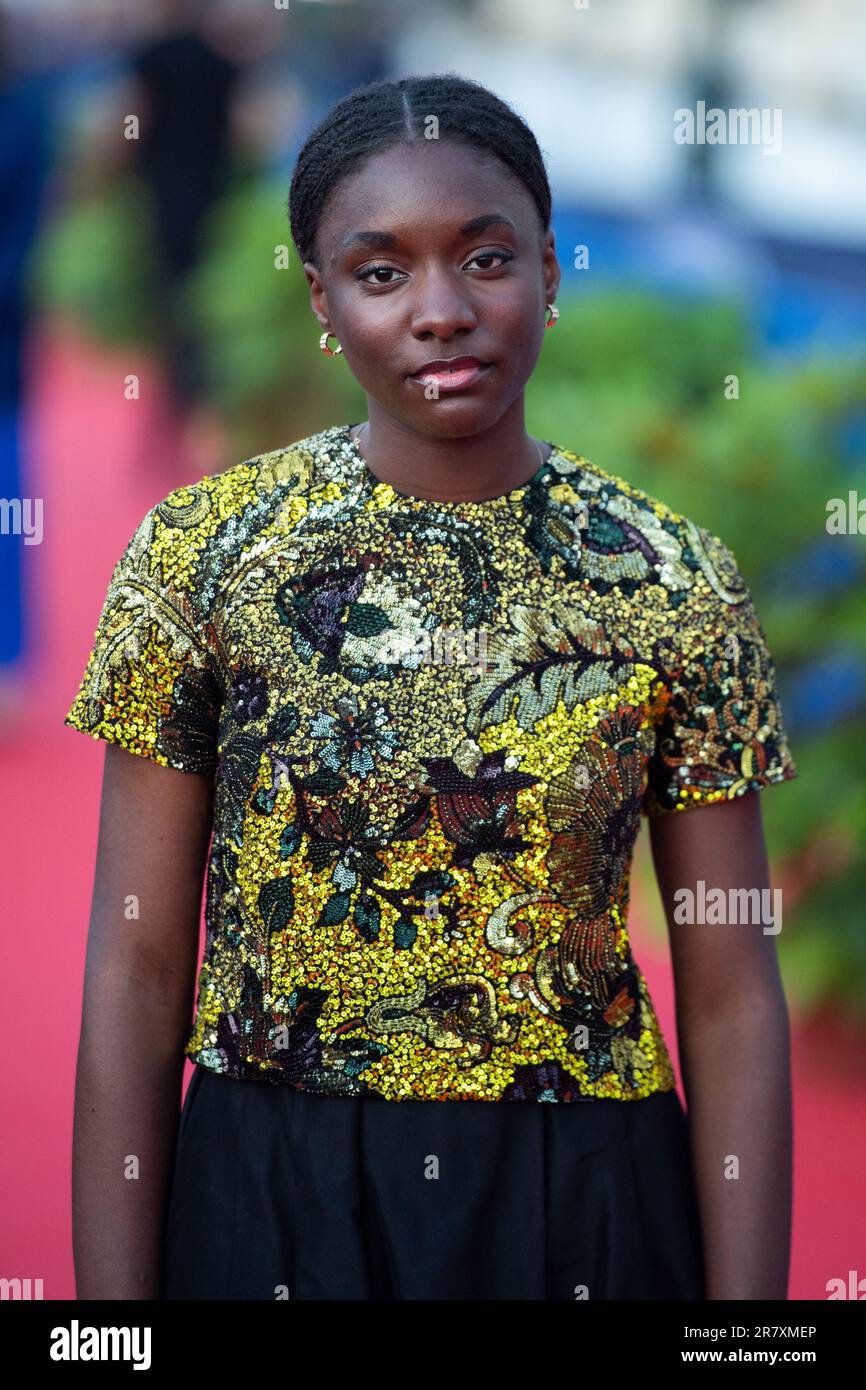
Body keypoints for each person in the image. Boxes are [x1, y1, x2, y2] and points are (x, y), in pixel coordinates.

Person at [65, 74, 798, 1302]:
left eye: (487, 257)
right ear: (320, 299)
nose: (442, 311)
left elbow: (729, 993)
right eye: (381, 270)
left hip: (580, 1199)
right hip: (271, 1191)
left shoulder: (670, 580)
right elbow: (134, 969)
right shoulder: (201, 557)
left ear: (553, 272)